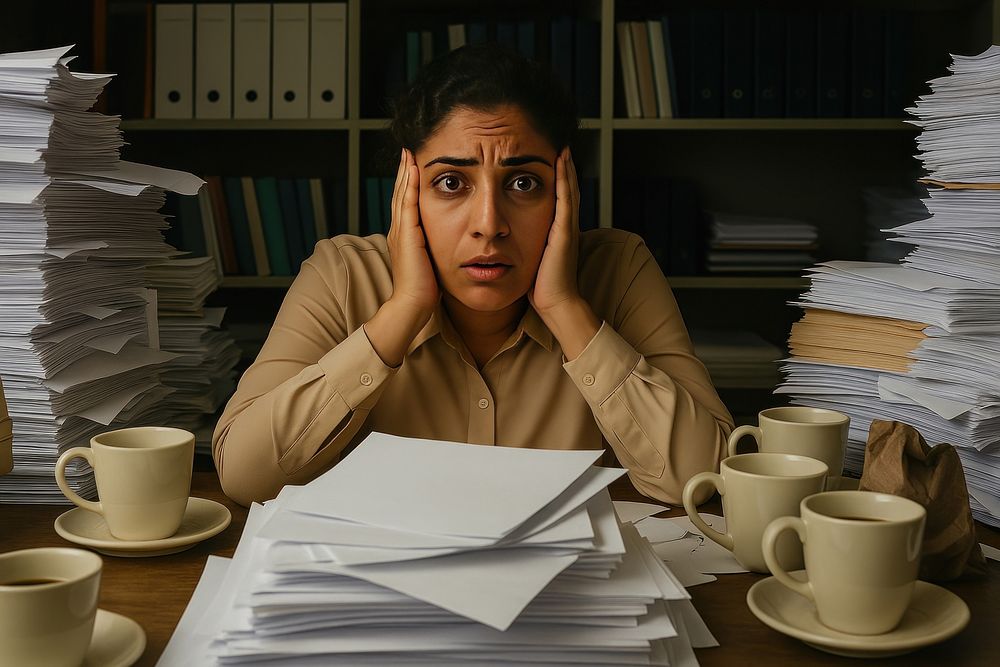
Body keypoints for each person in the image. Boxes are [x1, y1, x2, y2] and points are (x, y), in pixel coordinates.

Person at [213, 44, 734, 507]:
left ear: (565, 190)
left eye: (525, 183)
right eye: (450, 183)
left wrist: (566, 309)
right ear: (407, 189)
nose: (489, 224)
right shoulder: (344, 273)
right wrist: (404, 310)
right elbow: (244, 474)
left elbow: (707, 480)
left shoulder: (617, 269)